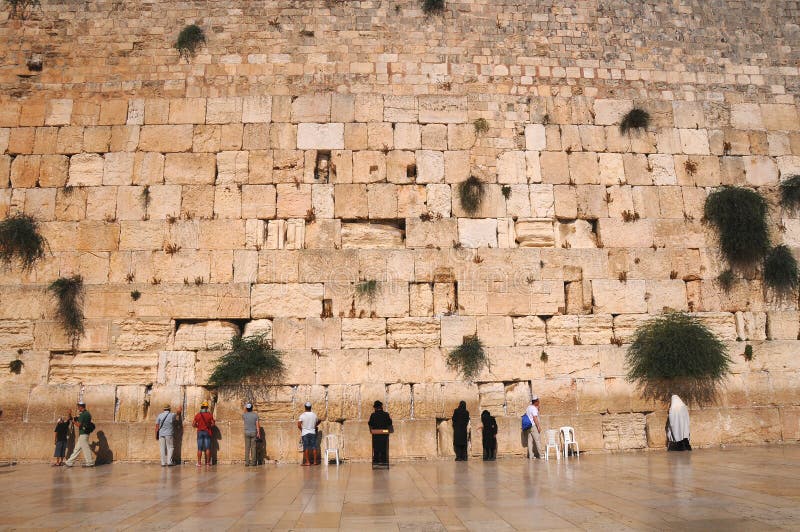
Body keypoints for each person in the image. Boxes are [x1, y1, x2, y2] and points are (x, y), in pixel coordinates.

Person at [65, 401, 95, 467]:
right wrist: (70, 414)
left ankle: (90, 462)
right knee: (77, 449)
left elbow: (78, 424)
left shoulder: (83, 415)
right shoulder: (87, 413)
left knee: (85, 448)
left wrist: (73, 421)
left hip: (83, 434)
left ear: (81, 407)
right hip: (84, 434)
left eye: (78, 406)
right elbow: (73, 418)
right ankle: (69, 462)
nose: (78, 408)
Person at [368, 400, 392, 468]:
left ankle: (376, 461)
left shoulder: (373, 415)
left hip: (376, 435)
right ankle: (384, 461)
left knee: (376, 448)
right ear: (381, 407)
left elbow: (370, 423)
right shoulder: (386, 414)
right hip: (384, 434)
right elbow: (390, 423)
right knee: (384, 448)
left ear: (375, 408)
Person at [192, 401, 215, 467]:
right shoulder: (209, 415)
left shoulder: (198, 415)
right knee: (207, 448)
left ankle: (199, 463)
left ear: (201, 407)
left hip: (200, 432)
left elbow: (193, 424)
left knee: (199, 448)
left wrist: (198, 426)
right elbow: (213, 424)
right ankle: (207, 463)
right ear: (207, 407)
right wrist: (209, 426)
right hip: (207, 432)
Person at [243, 402, 261, 466]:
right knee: (253, 447)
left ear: (247, 408)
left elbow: (244, 412)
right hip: (253, 432)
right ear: (252, 408)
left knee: (247, 448)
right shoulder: (255, 415)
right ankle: (253, 462)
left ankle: (247, 462)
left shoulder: (244, 415)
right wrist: (259, 433)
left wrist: (246, 409)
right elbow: (257, 425)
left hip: (247, 432)